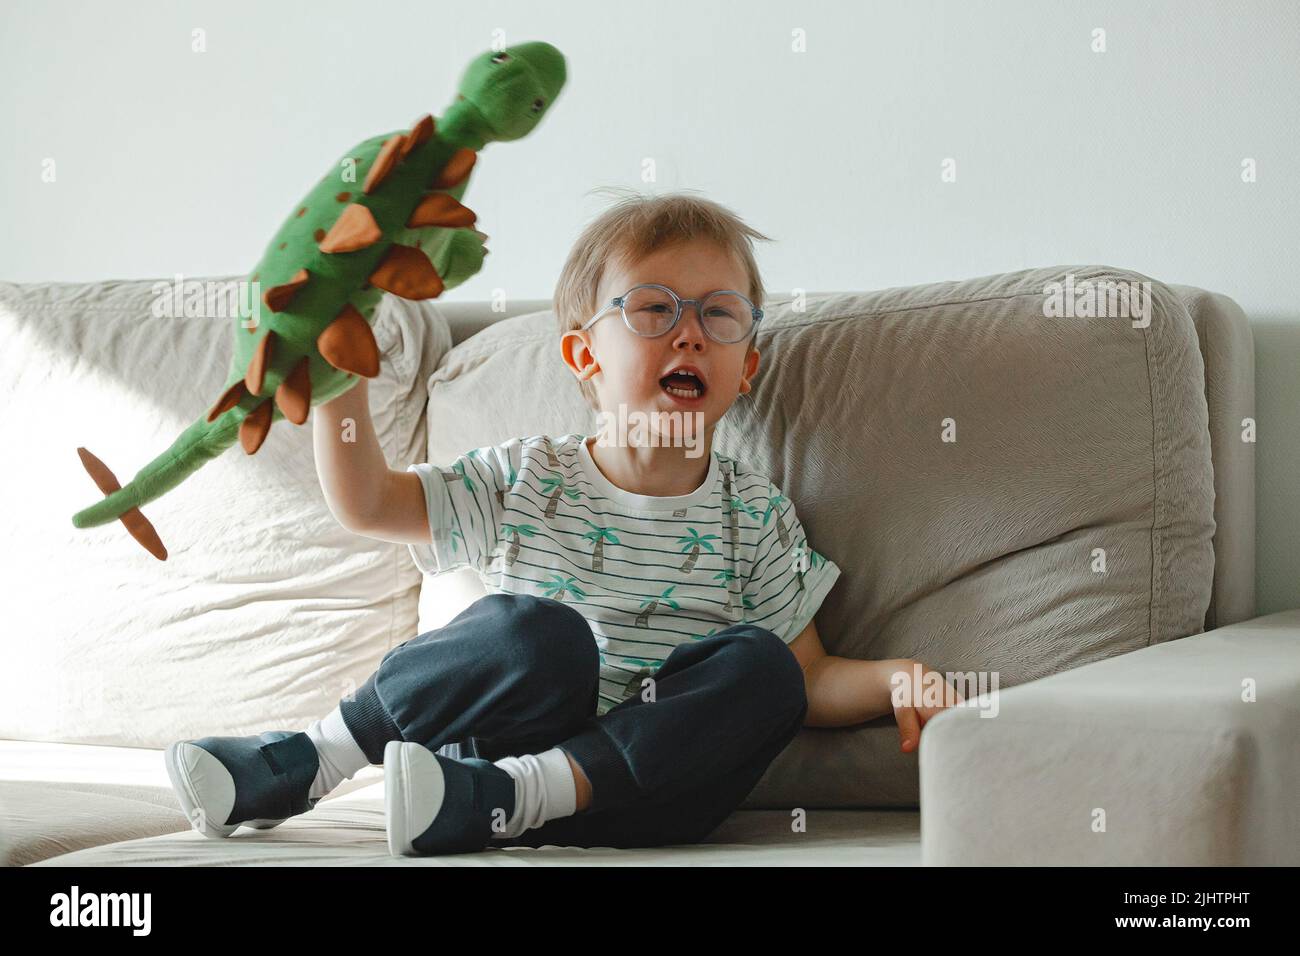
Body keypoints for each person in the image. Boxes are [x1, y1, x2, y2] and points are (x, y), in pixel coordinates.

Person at [165, 189, 960, 856]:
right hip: (476, 772)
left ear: (746, 366)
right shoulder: (527, 477)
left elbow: (808, 676)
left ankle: (522, 796)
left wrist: (891, 678)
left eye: (720, 316)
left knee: (764, 669)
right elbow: (371, 504)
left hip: (644, 796)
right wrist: (339, 387)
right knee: (534, 634)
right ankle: (310, 760)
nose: (689, 332)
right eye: (653, 309)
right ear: (584, 357)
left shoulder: (752, 513)